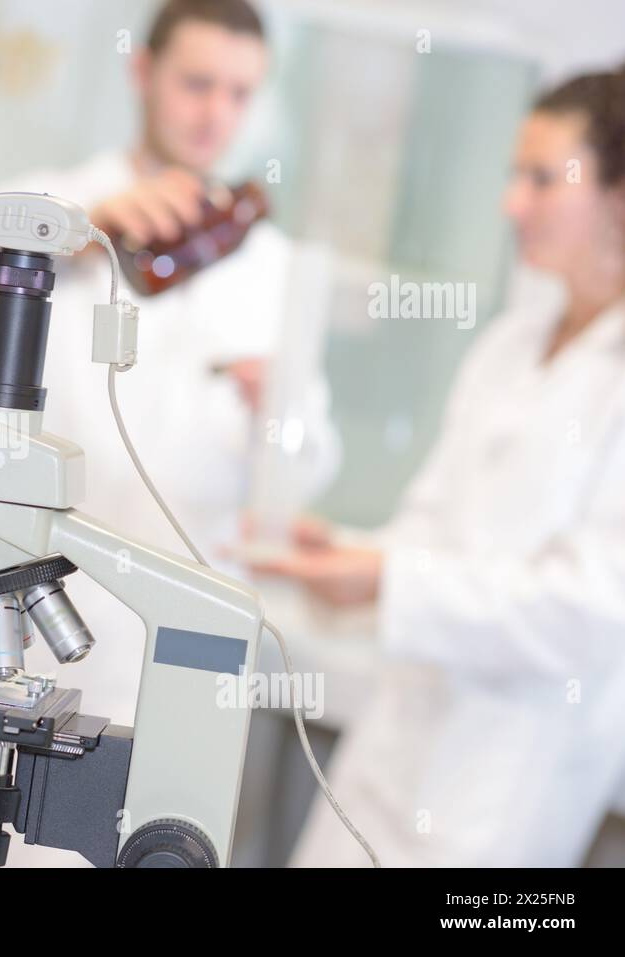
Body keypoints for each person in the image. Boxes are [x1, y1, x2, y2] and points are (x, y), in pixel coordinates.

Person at [0, 0, 339, 727]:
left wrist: (275, 412)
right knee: (11, 824)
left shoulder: (271, 266)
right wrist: (83, 227)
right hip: (42, 598)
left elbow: (308, 467)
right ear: (143, 71)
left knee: (163, 833)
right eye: (197, 83)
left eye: (239, 92)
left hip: (196, 623)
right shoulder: (61, 204)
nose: (215, 112)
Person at [257, 66, 625, 866]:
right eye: (511, 176)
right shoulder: (507, 346)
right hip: (395, 741)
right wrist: (349, 553)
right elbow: (428, 526)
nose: (510, 205)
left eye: (541, 179)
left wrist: (391, 581)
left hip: (505, 779)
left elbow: (595, 607)